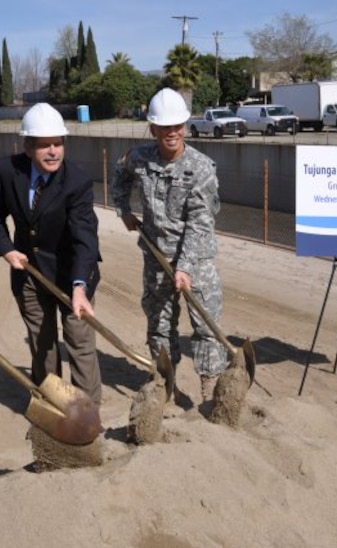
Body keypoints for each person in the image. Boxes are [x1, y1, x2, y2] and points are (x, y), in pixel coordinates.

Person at [111, 87, 228, 403]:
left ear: (186, 127)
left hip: (196, 260)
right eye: (164, 127)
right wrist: (122, 209)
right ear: (153, 128)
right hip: (155, 254)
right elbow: (119, 173)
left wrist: (185, 267)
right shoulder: (139, 158)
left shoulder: (202, 168)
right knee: (159, 323)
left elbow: (200, 223)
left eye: (177, 126)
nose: (171, 133)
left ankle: (209, 389)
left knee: (206, 325)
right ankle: (166, 383)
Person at [0, 103, 103, 405]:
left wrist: (80, 286)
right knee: (44, 346)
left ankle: (88, 416)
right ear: (27, 147)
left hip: (72, 272)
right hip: (28, 273)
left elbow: (85, 237)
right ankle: (53, 406)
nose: (53, 151)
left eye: (58, 143)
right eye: (44, 145)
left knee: (79, 342)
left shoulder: (77, 182)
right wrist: (6, 249)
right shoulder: (6, 171)